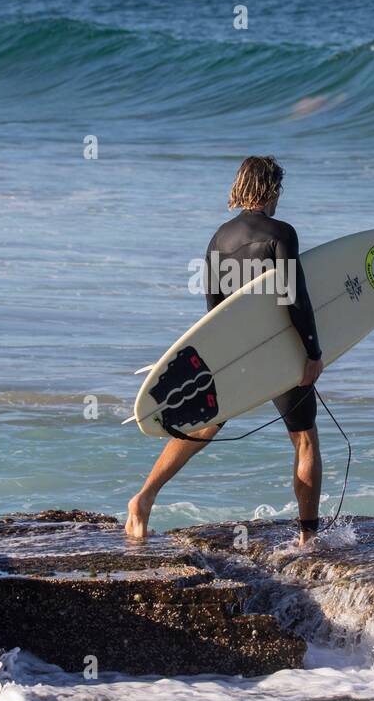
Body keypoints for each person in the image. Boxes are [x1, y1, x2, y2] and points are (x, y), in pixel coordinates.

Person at [125, 156, 324, 546]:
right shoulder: (281, 233)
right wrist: (312, 353)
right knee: (304, 439)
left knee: (204, 425)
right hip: (278, 350)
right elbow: (294, 298)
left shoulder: (218, 239)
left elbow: (214, 311)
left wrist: (220, 358)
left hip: (236, 350)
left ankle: (143, 498)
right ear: (273, 189)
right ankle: (308, 539)